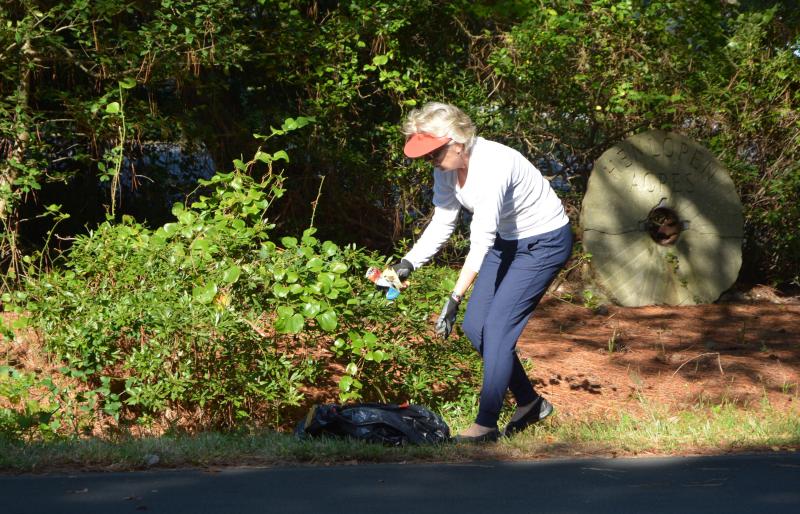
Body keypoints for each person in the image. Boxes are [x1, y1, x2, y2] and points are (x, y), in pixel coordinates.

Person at [391, 102, 572, 442]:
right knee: (476, 328)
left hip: (543, 244)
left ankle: (485, 425)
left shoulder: (494, 166)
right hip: (507, 242)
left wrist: (455, 296)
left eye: (434, 152)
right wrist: (409, 262)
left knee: (500, 330)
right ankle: (530, 403)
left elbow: (480, 241)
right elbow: (444, 219)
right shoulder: (446, 166)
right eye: (426, 155)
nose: (430, 160)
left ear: (457, 142)